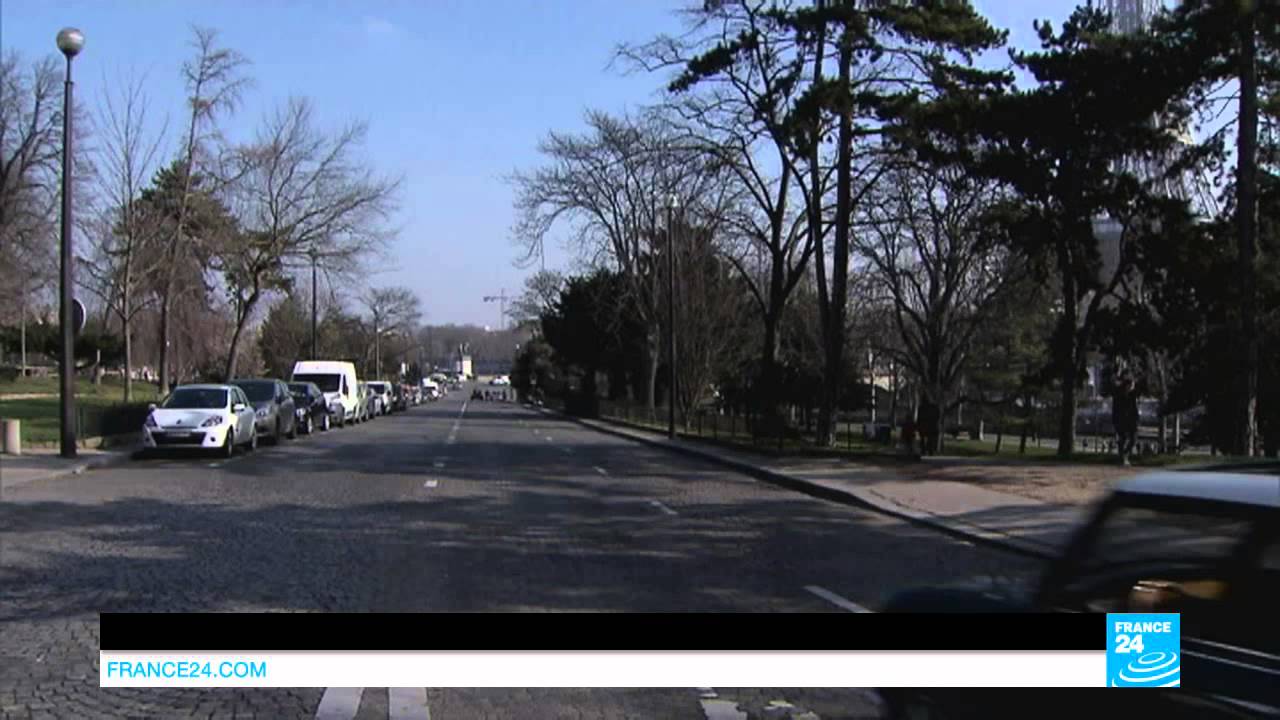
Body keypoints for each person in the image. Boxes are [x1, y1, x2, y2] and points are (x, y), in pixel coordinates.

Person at [1112, 373, 1139, 466]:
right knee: (1122, 439)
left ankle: (1125, 454)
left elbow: (1135, 409)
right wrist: (1115, 421)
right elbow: (1115, 409)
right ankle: (1121, 458)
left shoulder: (1133, 396)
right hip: (1121, 420)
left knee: (1133, 439)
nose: (1132, 387)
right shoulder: (1119, 395)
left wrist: (1136, 420)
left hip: (1131, 421)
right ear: (1127, 385)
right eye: (1131, 385)